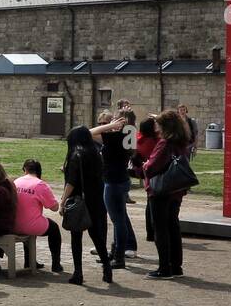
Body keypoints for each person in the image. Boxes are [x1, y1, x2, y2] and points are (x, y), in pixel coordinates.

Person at [143, 109, 192, 280]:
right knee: (173, 227)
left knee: (161, 229)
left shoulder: (164, 143)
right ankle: (176, 266)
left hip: (161, 190)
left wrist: (145, 165)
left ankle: (164, 268)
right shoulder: (181, 141)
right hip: (175, 190)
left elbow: (151, 167)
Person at [60, 125, 110, 285]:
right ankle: (107, 268)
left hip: (78, 201)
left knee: (76, 237)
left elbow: (71, 183)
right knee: (97, 236)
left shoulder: (75, 155)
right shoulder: (95, 153)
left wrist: (62, 201)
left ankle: (78, 273)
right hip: (95, 199)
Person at [95, 109, 138, 267]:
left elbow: (88, 133)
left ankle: (119, 256)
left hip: (113, 181)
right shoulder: (128, 136)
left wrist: (109, 127)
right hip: (122, 179)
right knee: (119, 219)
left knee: (118, 220)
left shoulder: (114, 137)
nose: (109, 123)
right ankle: (115, 253)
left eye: (113, 120)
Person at [13, 159, 63, 273]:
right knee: (54, 229)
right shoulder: (40, 184)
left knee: (28, 221)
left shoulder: (16, 182)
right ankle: (56, 263)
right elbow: (54, 207)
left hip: (14, 224)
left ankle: (29, 260)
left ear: (25, 169)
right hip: (30, 225)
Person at [133, 116, 159, 242]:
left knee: (150, 202)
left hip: (143, 172)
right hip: (153, 173)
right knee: (152, 204)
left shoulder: (138, 138)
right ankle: (153, 231)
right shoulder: (153, 141)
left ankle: (150, 232)